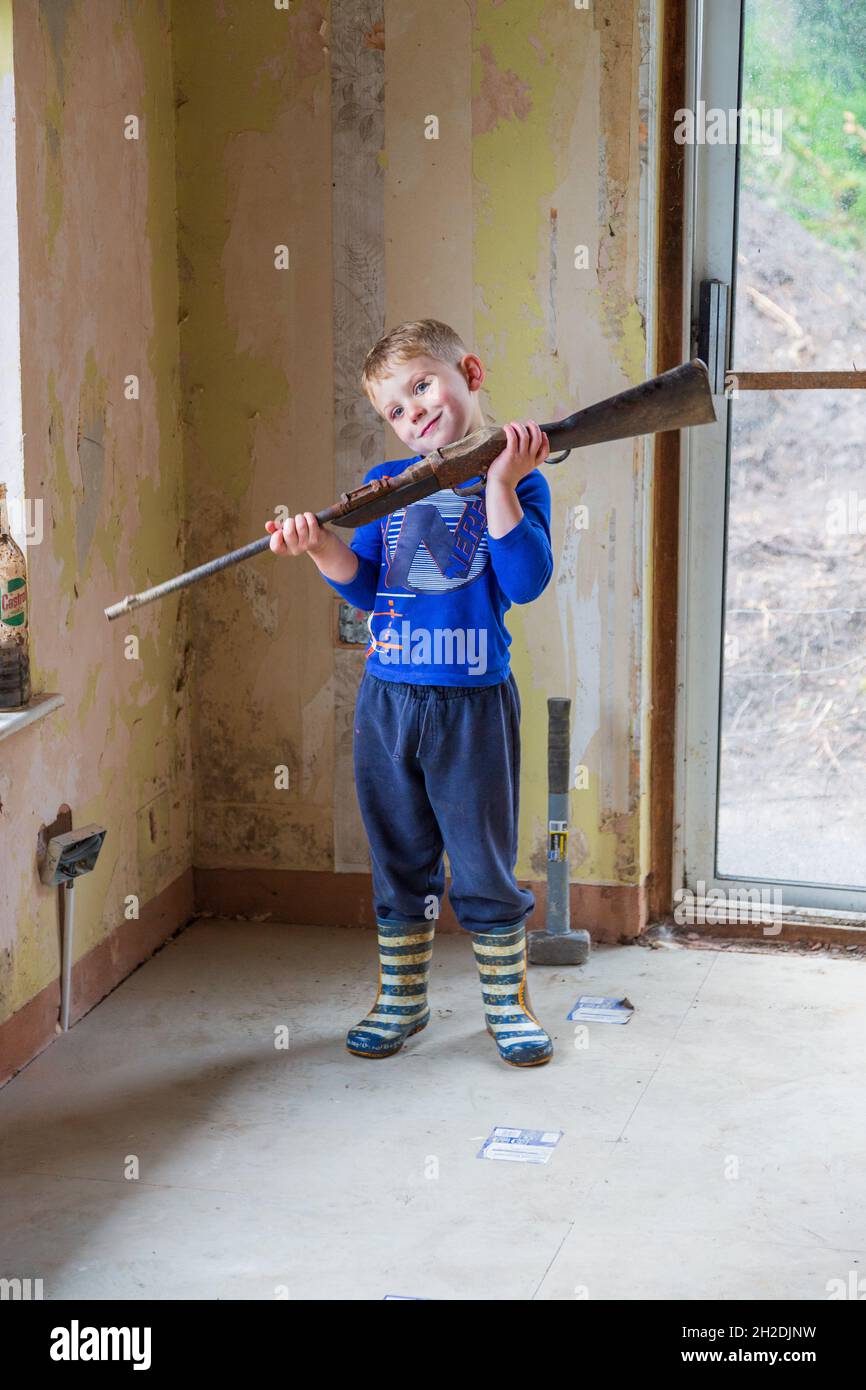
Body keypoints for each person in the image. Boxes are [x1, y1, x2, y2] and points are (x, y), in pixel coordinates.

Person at [266, 319, 555, 1066]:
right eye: (395, 408)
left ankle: (507, 1005)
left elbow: (525, 583)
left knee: (483, 862)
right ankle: (404, 999)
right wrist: (316, 543)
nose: (414, 411)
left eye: (423, 386)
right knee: (400, 858)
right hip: (388, 702)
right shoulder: (383, 491)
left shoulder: (521, 479)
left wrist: (496, 483)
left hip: (472, 705)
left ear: (470, 371)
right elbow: (364, 587)